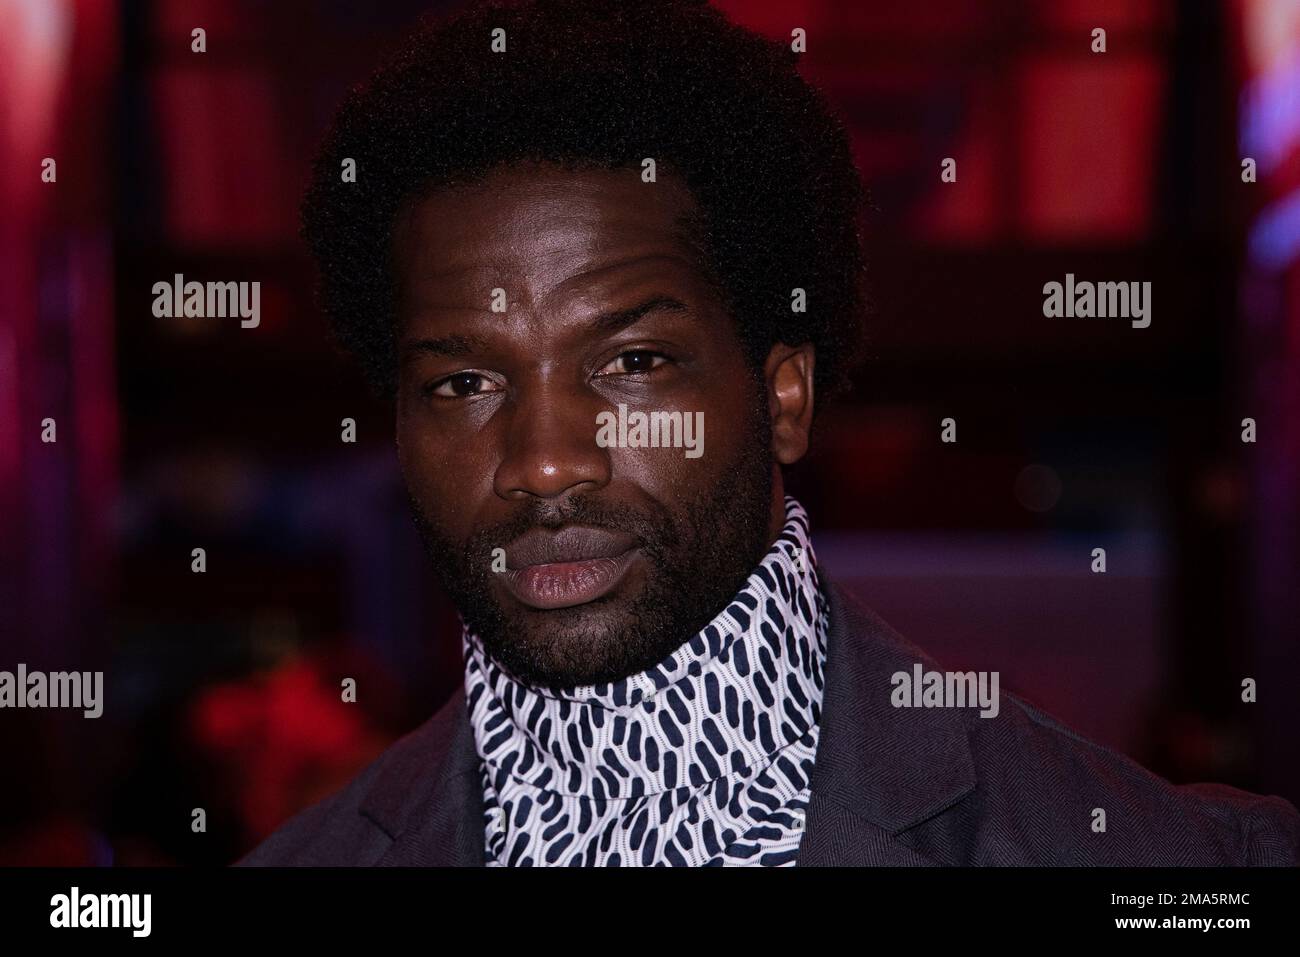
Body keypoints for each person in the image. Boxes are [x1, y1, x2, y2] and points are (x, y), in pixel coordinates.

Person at [239, 0, 1299, 866]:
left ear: (782, 396)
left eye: (632, 364)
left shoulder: (1183, 865)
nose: (544, 460)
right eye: (465, 382)